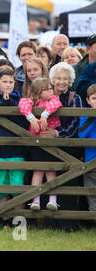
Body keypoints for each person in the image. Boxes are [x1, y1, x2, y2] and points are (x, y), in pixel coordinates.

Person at [0, 67, 27, 222]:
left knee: (17, 185)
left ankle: (19, 221)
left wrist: (9, 106)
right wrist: (3, 104)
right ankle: (4, 220)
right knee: (0, 186)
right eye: (4, 81)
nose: (8, 84)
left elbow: (22, 125)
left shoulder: (20, 100)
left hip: (16, 150)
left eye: (10, 81)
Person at [44, 62, 83, 231]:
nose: (62, 82)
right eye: (58, 78)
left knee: (68, 184)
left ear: (70, 81)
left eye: (65, 79)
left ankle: (68, 223)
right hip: (48, 147)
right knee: (50, 182)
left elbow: (75, 122)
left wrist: (58, 133)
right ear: (52, 80)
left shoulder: (74, 98)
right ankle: (50, 223)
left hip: (68, 146)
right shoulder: (46, 96)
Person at [18, 78, 63, 211]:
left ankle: (53, 200)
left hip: (50, 142)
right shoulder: (32, 102)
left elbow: (57, 103)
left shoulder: (53, 100)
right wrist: (31, 118)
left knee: (50, 170)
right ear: (38, 92)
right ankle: (35, 200)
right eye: (47, 89)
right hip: (36, 142)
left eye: (51, 88)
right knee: (37, 171)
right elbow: (22, 104)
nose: (51, 91)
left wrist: (44, 114)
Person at [78, 84, 96, 221]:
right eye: (94, 98)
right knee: (91, 191)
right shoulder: (85, 116)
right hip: (91, 159)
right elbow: (82, 136)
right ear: (88, 100)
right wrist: (92, 117)